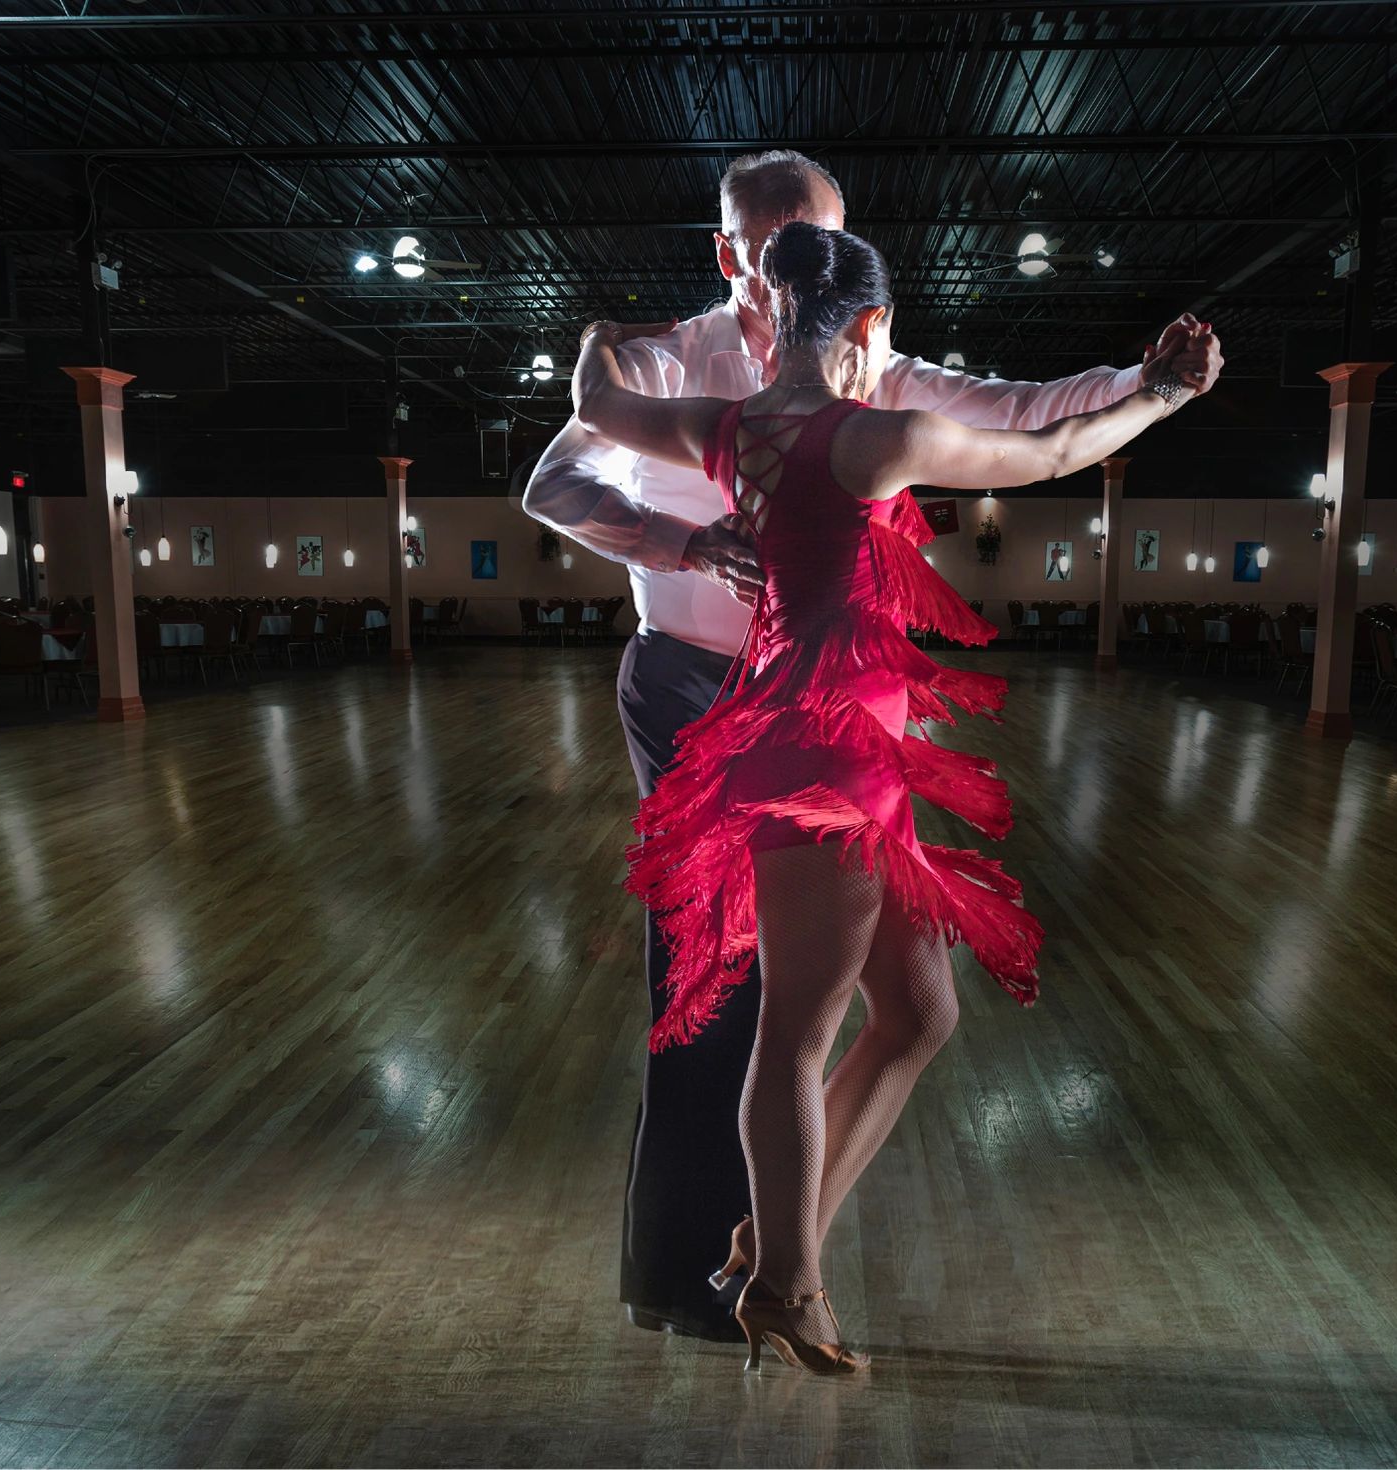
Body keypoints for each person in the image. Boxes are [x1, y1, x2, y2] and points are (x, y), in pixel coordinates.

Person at [523, 148, 1224, 1345]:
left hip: (815, 722)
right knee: (740, 1003)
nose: (782, 248)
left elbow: (1021, 406)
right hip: (738, 705)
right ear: (731, 251)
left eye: (808, 228)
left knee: (900, 1007)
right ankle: (742, 1274)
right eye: (765, 232)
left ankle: (767, 1254)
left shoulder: (762, 409)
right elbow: (555, 480)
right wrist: (678, 549)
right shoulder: (798, 401)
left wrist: (1132, 378)